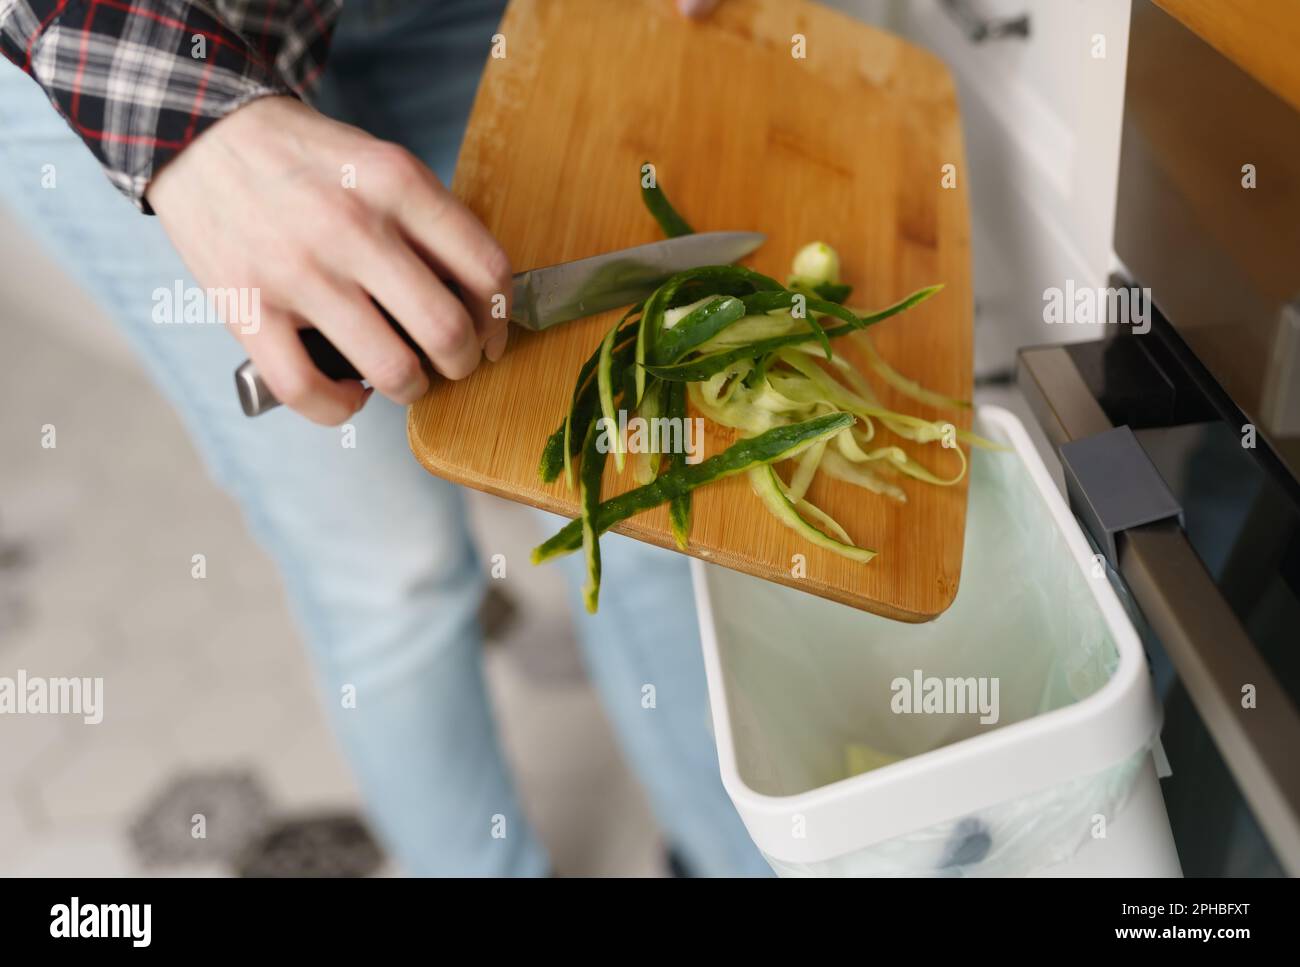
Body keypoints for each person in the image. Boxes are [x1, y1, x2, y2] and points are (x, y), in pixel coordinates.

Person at [0, 0, 770, 876]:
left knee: (638, 487)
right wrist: (186, 118)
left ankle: (730, 856)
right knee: (392, 579)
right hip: (130, 52)